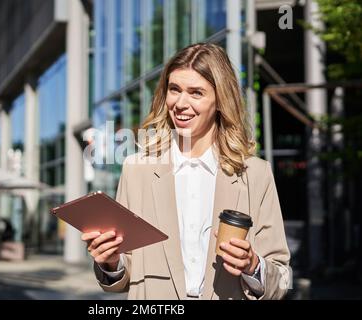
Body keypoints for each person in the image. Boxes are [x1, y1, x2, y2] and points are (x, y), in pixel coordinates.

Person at [81, 42, 290, 300]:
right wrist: (111, 262)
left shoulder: (254, 174)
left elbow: (282, 278)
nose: (180, 103)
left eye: (196, 93)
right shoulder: (137, 170)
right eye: (174, 89)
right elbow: (126, 273)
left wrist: (253, 265)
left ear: (220, 100)